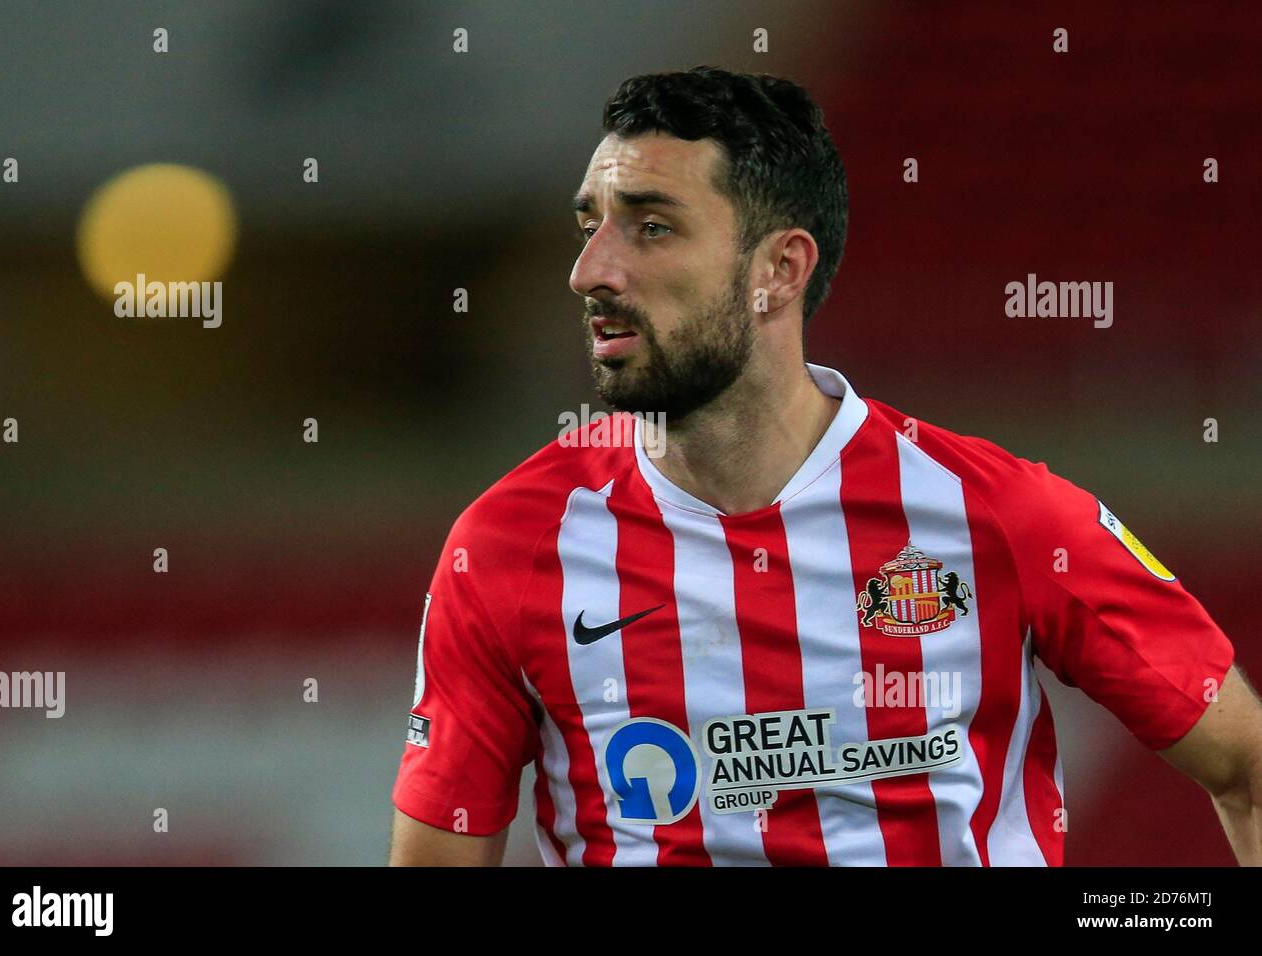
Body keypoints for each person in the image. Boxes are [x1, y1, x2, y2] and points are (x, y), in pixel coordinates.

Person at [389, 66, 1258, 866]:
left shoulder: (1000, 516)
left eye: (652, 227)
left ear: (779, 270)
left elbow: (1246, 768)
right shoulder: (507, 547)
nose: (591, 271)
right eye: (591, 227)